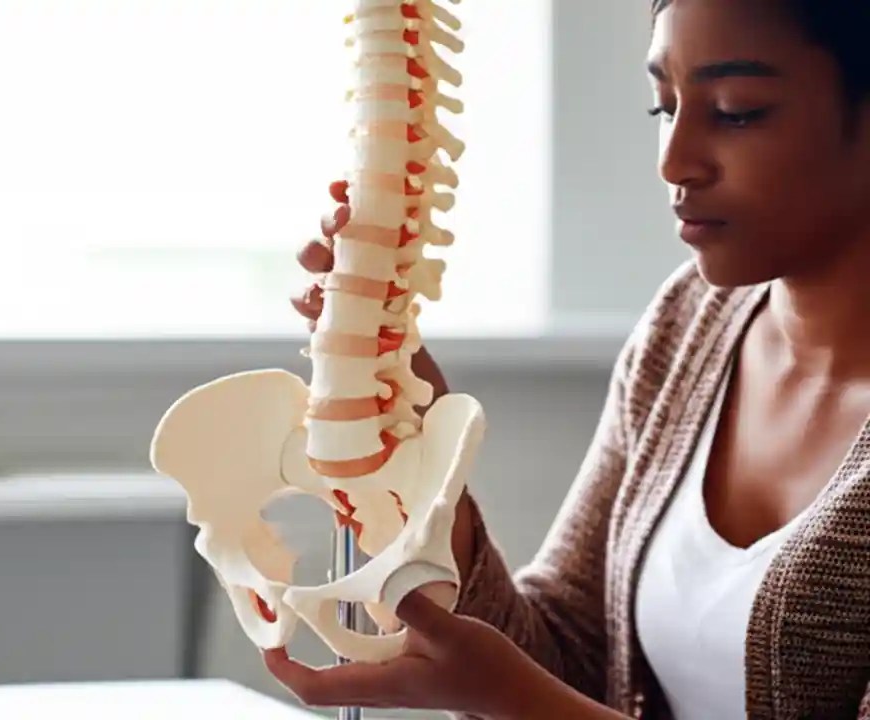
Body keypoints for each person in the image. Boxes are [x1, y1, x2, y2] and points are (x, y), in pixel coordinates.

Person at [264, 0, 870, 717]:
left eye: (737, 111)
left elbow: (536, 692)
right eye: (664, 108)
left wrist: (517, 700)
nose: (674, 161)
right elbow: (566, 652)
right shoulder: (687, 329)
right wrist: (420, 447)